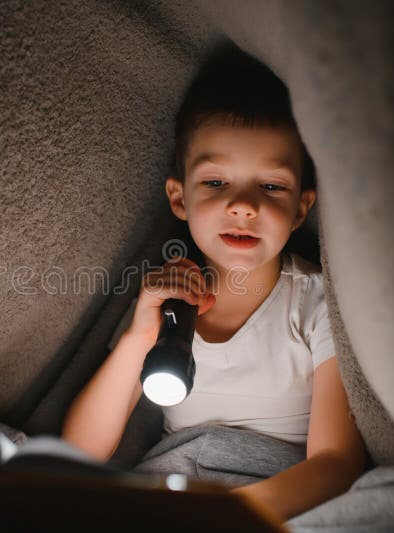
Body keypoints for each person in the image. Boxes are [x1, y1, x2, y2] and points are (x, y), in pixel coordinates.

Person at [60, 42, 366, 521]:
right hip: (167, 484)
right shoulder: (164, 300)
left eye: (270, 186)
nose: (243, 206)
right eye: (217, 183)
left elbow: (336, 465)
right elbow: (79, 453)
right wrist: (140, 337)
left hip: (276, 500)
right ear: (179, 199)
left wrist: (226, 518)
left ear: (301, 208)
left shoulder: (317, 303)